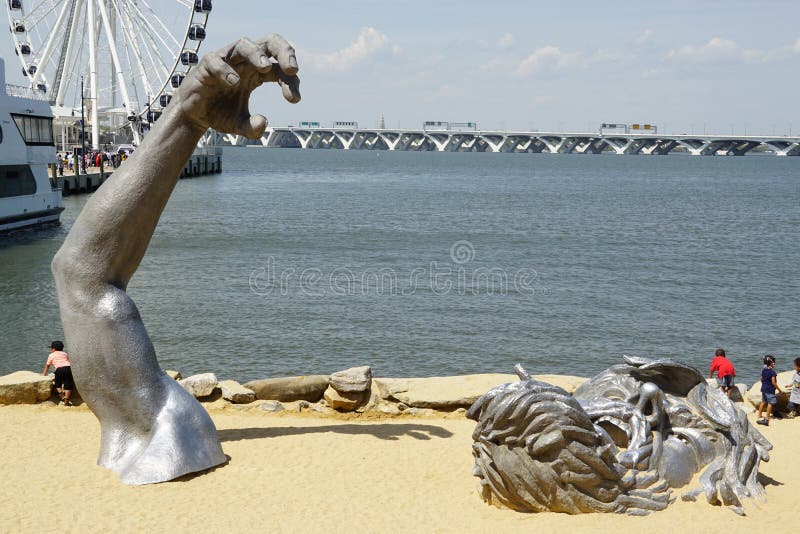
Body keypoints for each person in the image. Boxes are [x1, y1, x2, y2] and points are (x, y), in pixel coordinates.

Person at [42, 340, 75, 406]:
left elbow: (47, 365)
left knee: (57, 384)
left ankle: (62, 396)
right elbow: (68, 361)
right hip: (68, 368)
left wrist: (44, 374)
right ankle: (67, 399)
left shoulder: (51, 355)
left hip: (59, 369)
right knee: (68, 384)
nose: (51, 350)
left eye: (51, 348)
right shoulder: (65, 354)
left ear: (53, 349)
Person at [757, 355, 783, 426]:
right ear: (771, 363)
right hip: (770, 390)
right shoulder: (772, 372)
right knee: (770, 404)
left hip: (763, 389)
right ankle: (767, 417)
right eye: (774, 362)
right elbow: (773, 383)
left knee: (763, 402)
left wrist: (764, 384)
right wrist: (780, 390)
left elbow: (761, 379)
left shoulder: (763, 370)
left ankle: (759, 415)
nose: (775, 364)